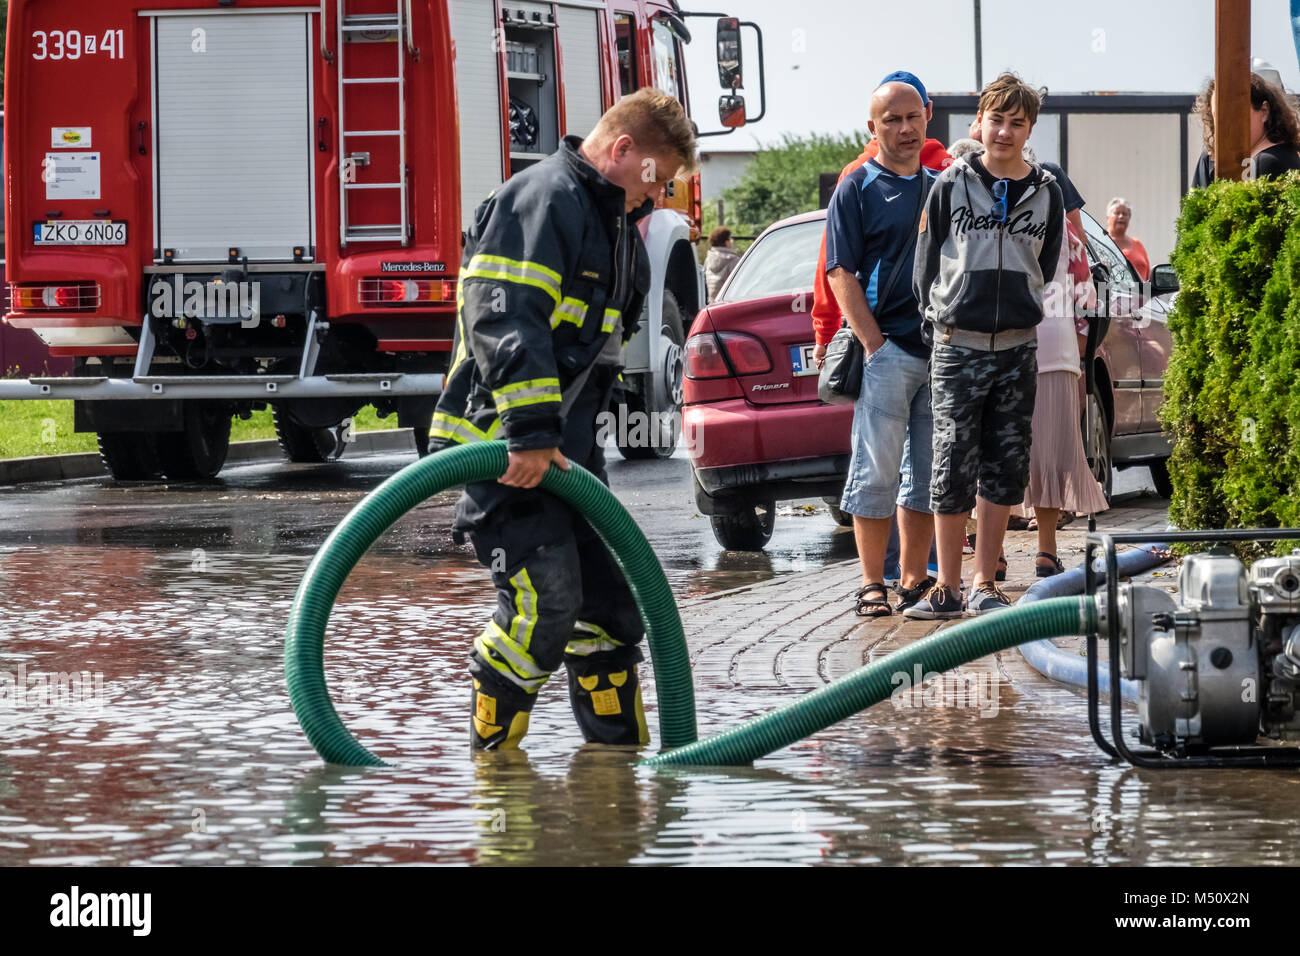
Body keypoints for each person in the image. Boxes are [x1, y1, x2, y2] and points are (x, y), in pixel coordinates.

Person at [430, 89, 696, 750]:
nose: (658, 196)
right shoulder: (543, 199)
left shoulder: (612, 221)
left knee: (609, 612)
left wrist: (569, 444)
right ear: (623, 150)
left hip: (566, 455)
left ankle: (616, 783)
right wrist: (529, 433)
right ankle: (495, 782)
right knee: (541, 608)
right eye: (656, 179)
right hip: (505, 448)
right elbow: (503, 316)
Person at [906, 73, 1065, 619]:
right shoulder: (949, 184)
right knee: (951, 463)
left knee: (1005, 465)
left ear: (1029, 129)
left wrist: (1019, 302)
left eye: (1016, 123)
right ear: (981, 121)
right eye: (996, 120)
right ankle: (945, 586)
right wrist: (942, 322)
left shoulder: (1047, 192)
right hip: (958, 345)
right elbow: (924, 265)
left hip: (1018, 348)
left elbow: (1043, 267)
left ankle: (985, 582)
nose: (1004, 131)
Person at [812, 70, 951, 587]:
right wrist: (875, 346)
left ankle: (914, 580)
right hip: (887, 353)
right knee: (875, 474)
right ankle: (872, 584)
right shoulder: (856, 187)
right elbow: (839, 273)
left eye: (913, 116)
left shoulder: (943, 188)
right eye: (891, 119)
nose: (905, 128)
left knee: (925, 479)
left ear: (927, 117)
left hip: (938, 354)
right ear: (872, 127)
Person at [1022, 219, 1110, 575]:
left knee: (996, 453)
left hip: (992, 343)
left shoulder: (978, 205)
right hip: (1054, 346)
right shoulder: (1054, 214)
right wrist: (1081, 346)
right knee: (1051, 452)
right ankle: (1046, 550)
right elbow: (1086, 291)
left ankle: (993, 555)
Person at [1191, 72, 1300, 188]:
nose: (1227, 124)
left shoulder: (1266, 162)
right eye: (1218, 116)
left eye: (1236, 113)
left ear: (1264, 111)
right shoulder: (1209, 159)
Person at [1106, 197, 1149, 281]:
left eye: (1125, 214)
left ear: (1129, 218)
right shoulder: (1100, 243)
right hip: (1110, 293)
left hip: (1142, 293)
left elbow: (1148, 277)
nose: (1121, 216)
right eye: (1117, 213)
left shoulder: (1138, 244)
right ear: (1108, 217)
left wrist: (1148, 293)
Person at [704, 227, 741, 301]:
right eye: (730, 239)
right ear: (726, 242)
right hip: (727, 303)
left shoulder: (708, 259)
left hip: (711, 303)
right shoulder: (733, 260)